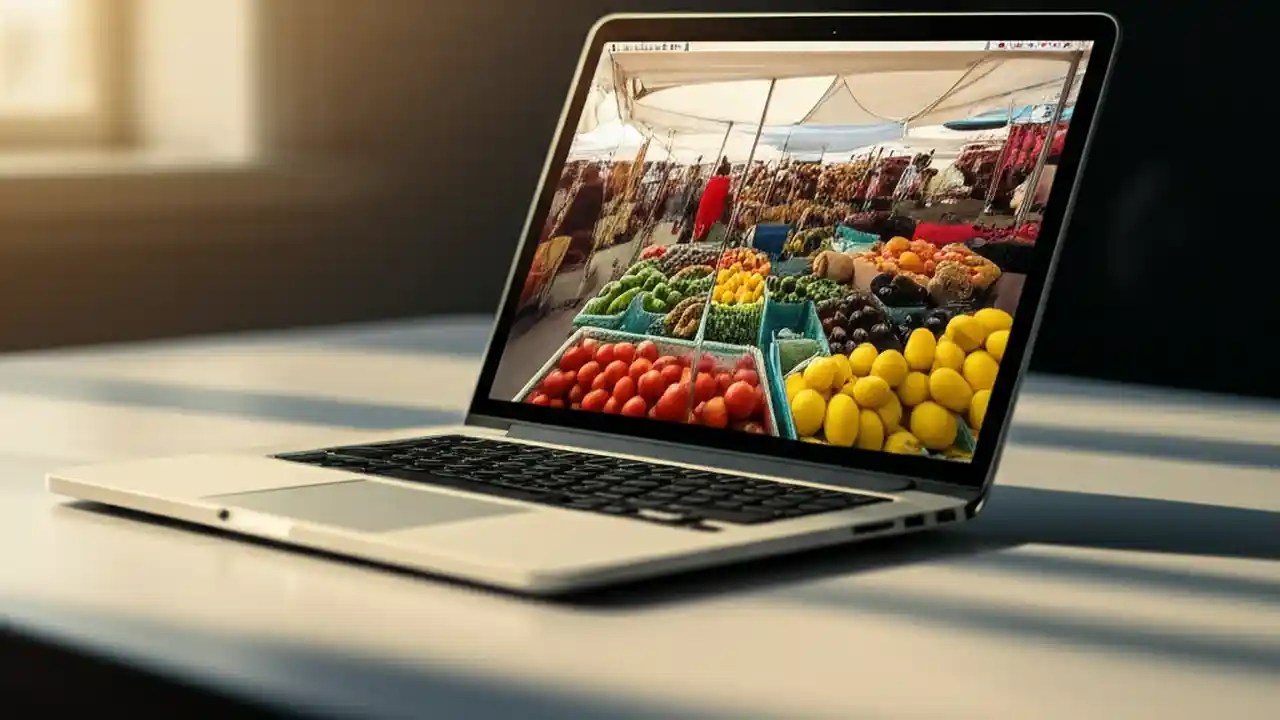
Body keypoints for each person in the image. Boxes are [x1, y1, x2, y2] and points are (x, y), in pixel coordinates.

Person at [555, 164, 605, 268]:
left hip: (580, 230)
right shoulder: (600, 189)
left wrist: (562, 226)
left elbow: (575, 214)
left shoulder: (586, 191)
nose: (582, 176)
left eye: (584, 174)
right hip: (587, 228)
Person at [692, 157, 733, 243]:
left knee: (700, 238)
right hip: (712, 220)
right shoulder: (726, 183)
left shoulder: (712, 181)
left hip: (703, 218)